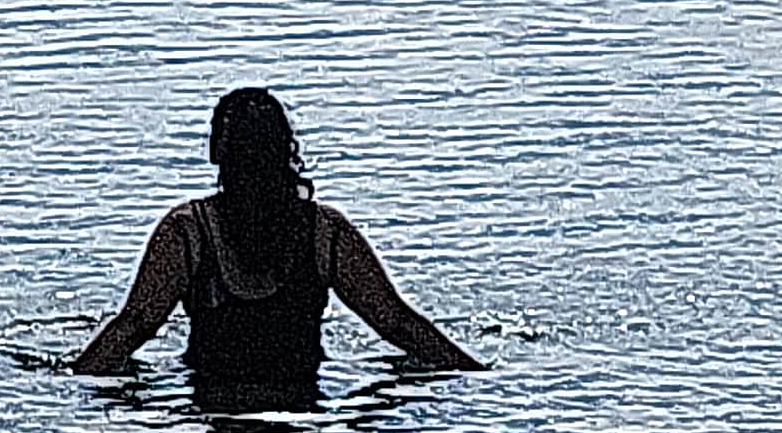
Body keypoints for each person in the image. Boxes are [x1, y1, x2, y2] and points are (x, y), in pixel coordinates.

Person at [71, 87, 484, 381]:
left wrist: (69, 380)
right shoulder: (325, 233)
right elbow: (396, 323)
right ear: (288, 151)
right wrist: (476, 375)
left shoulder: (187, 233)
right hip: (305, 419)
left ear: (216, 153)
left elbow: (134, 326)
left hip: (206, 416)